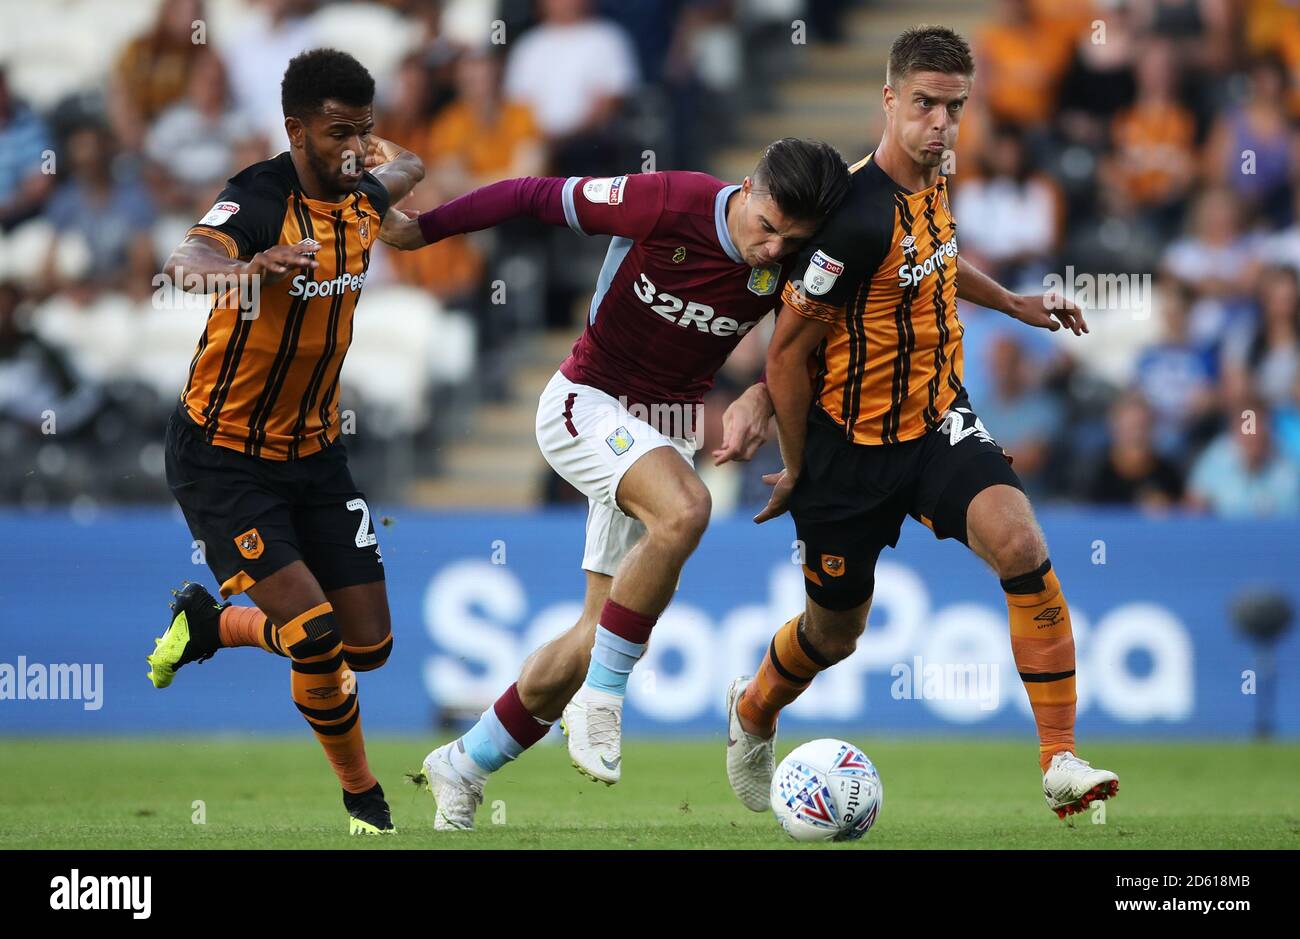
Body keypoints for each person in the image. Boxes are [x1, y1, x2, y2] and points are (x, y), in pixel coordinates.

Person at [380, 138, 850, 829]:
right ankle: (602, 698)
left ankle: (466, 760)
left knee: (596, 627)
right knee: (686, 510)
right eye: (766, 226)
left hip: (664, 431)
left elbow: (804, 348)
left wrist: (756, 396)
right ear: (746, 186)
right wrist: (423, 230)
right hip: (586, 401)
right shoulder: (668, 200)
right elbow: (529, 194)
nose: (771, 249)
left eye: (790, 240)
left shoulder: (797, 263)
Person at [725, 26, 1119, 822]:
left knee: (1021, 542)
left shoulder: (940, 177)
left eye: (956, 107)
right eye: (926, 106)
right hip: (847, 447)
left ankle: (1060, 760)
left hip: (938, 418)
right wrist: (798, 464)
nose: (942, 124)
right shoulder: (851, 217)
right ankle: (754, 709)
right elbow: (786, 353)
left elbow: (936, 259)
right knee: (835, 634)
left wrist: (1013, 302)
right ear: (889, 101)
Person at [142, 48, 424, 835]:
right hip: (222, 452)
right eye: (337, 132)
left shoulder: (364, 195)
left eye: (363, 131)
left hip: (316, 453)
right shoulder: (259, 200)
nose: (351, 148)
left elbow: (415, 166)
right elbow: (185, 262)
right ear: (295, 129)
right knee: (315, 636)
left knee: (370, 648)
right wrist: (249, 268)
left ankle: (211, 624)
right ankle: (366, 800)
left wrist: (378, 150)